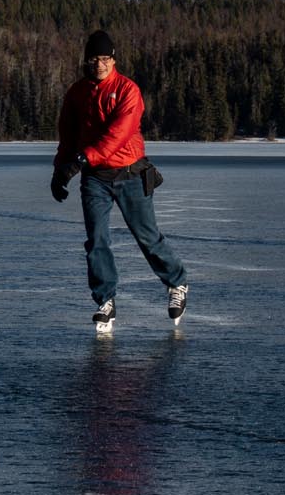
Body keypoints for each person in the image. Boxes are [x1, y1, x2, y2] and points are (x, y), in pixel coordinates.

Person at [51, 30, 188, 327]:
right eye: (93, 59)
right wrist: (59, 170)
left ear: (114, 60)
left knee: (148, 238)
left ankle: (177, 283)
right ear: (86, 61)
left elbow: (118, 135)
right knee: (97, 240)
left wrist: (82, 159)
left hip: (130, 174)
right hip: (95, 179)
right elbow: (68, 136)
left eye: (104, 59)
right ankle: (105, 301)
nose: (99, 65)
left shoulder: (128, 91)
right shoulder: (76, 93)